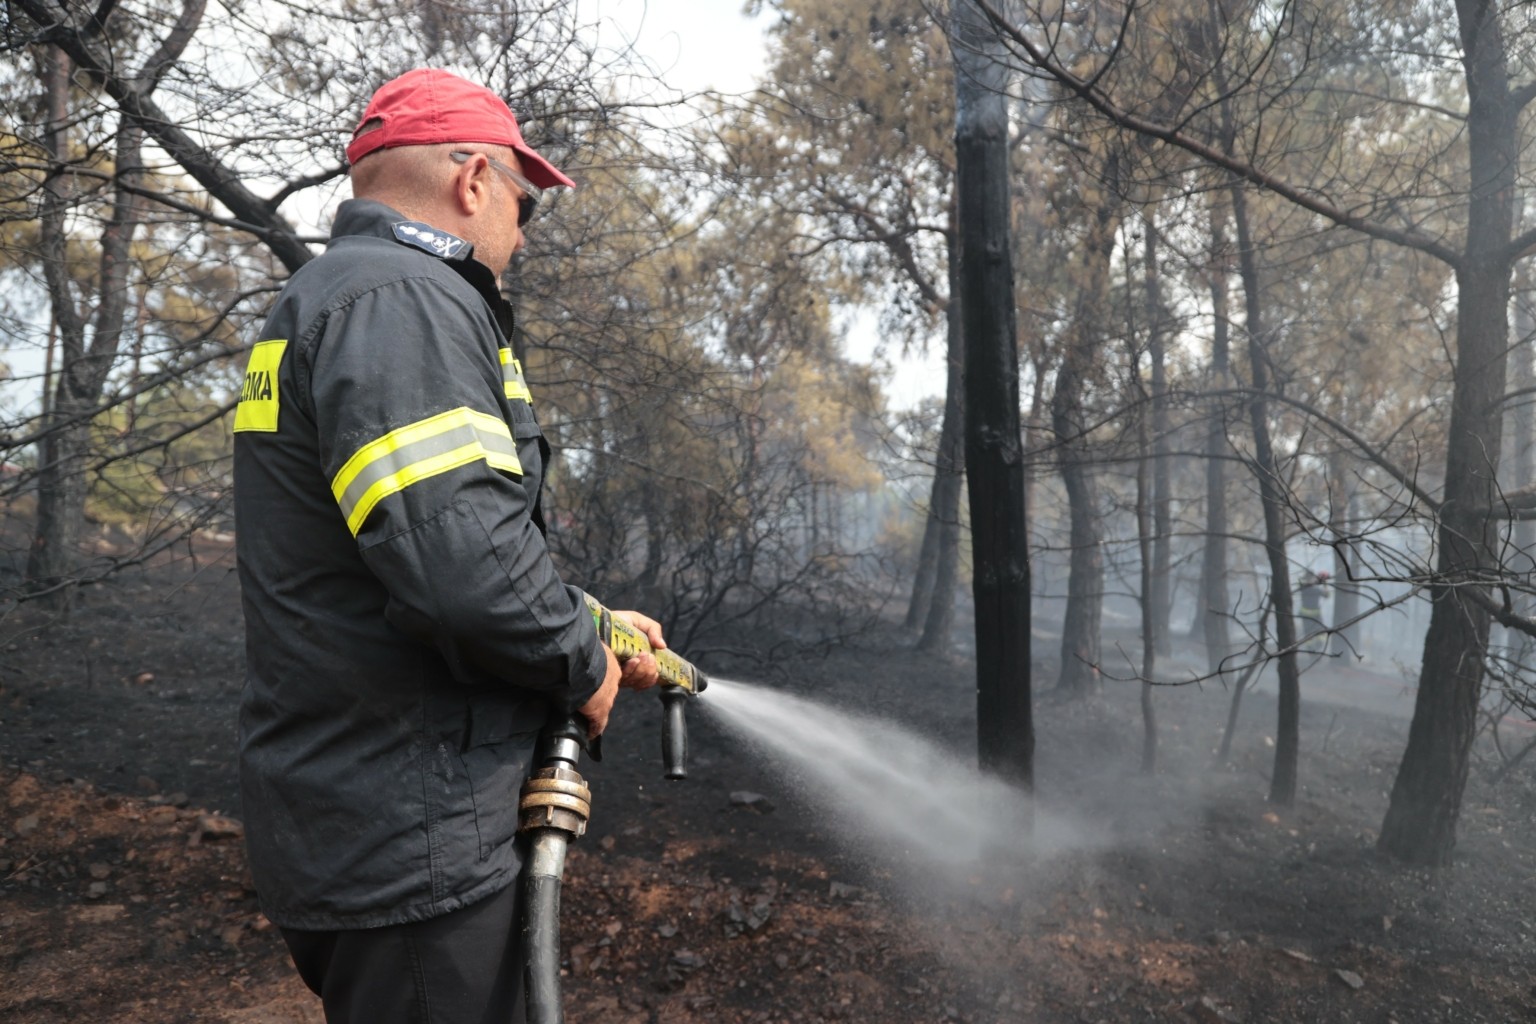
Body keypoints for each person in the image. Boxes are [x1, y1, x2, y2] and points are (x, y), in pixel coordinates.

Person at [231, 68, 663, 1023]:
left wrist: (588, 618)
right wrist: (578, 659)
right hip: (411, 829)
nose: (520, 231)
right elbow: (459, 572)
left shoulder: (332, 295)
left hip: (366, 809)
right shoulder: (405, 303)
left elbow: (403, 545)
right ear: (473, 179)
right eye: (525, 201)